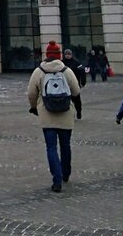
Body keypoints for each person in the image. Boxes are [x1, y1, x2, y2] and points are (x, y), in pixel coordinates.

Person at [28, 41, 82, 193]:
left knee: (51, 147)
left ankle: (56, 180)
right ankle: (66, 173)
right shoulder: (66, 70)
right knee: (65, 146)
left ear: (47, 55)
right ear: (59, 55)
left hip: (47, 113)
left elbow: (31, 93)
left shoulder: (39, 71)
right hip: (65, 112)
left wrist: (34, 106)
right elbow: (76, 91)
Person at [62, 49, 86, 119]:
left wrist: (83, 82)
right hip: (65, 85)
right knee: (67, 100)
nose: (67, 55)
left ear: (71, 55)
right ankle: (70, 114)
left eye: (69, 54)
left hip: (75, 84)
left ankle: (79, 111)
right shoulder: (62, 63)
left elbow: (82, 72)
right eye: (66, 54)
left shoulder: (76, 63)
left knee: (77, 100)